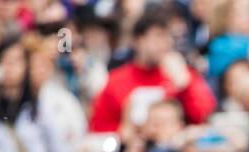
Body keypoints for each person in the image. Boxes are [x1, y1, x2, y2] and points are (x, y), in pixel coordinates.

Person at [88, 7, 217, 134]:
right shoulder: (116, 80)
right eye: (159, 36)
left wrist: (186, 86)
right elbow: (98, 129)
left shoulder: (182, 74)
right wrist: (124, 133)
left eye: (169, 36)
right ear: (138, 40)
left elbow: (205, 117)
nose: (166, 43)